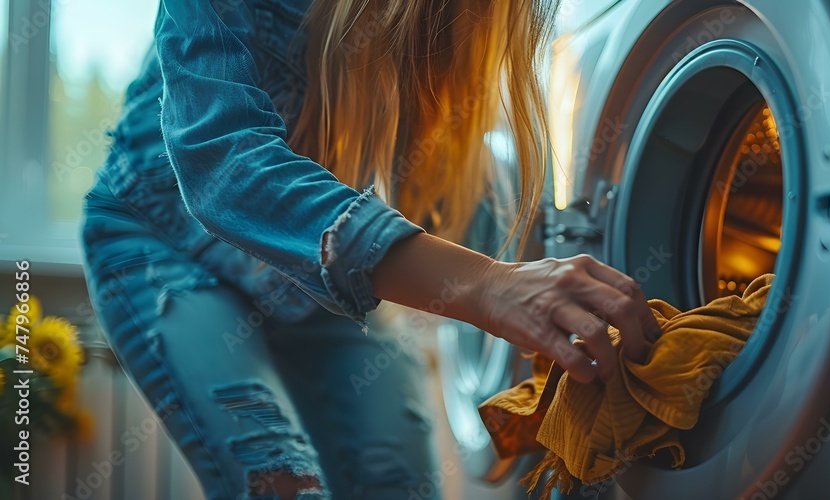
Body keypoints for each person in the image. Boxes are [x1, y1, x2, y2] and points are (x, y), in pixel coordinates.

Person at [79, 0, 660, 498]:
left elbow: (460, 194)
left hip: (308, 282)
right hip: (163, 242)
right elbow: (225, 162)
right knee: (279, 478)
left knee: (396, 485)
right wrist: (490, 285)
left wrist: (555, 286)